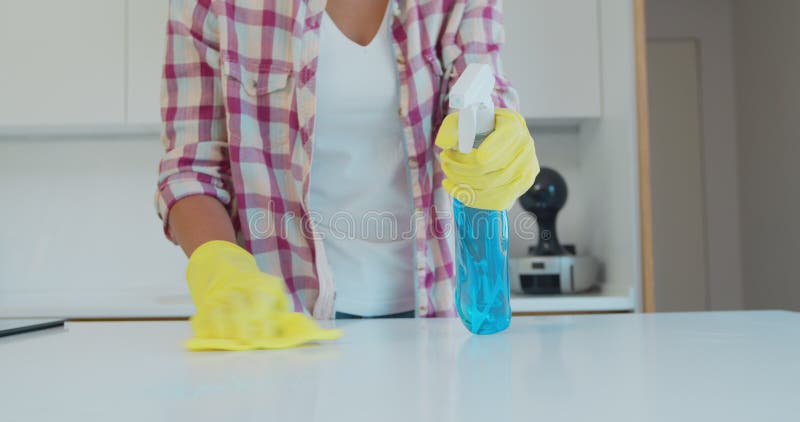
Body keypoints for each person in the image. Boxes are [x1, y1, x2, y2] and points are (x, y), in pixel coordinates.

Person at [156, 0, 538, 348]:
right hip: (286, 327)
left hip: (435, 321)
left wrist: (499, 135)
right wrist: (221, 269)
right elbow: (192, 168)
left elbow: (486, 92)